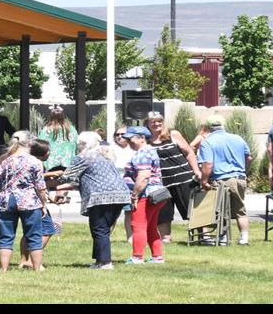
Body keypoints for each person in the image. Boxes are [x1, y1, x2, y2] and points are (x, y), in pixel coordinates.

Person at [59, 131, 130, 270]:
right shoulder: (105, 155)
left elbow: (67, 176)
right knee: (102, 228)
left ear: (84, 144)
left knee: (99, 228)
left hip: (100, 196)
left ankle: (105, 262)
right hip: (120, 194)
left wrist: (51, 178)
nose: (77, 146)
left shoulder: (84, 157)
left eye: (78, 143)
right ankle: (99, 260)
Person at [0, 130, 48, 272]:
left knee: (5, 236)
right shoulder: (35, 161)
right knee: (34, 236)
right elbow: (40, 186)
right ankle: (36, 268)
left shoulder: (3, 160)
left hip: (6, 200)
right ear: (30, 144)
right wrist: (43, 204)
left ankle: (3, 269)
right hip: (29, 200)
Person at [195, 115, 252, 246]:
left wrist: (204, 181)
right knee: (240, 209)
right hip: (239, 178)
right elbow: (248, 158)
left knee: (220, 210)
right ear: (224, 125)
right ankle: (244, 238)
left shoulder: (208, 142)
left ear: (208, 128)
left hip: (221, 179)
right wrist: (244, 171)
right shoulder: (238, 138)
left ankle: (223, 238)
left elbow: (208, 164)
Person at [147, 110, 198, 244]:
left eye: (159, 121)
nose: (156, 124)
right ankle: (165, 239)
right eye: (153, 122)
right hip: (161, 183)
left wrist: (196, 171)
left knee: (192, 210)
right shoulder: (146, 140)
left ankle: (201, 237)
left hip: (183, 179)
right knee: (163, 214)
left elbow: (189, 153)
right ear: (148, 124)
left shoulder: (172, 134)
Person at [123, 125, 167, 263]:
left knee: (138, 225)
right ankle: (157, 257)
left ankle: (137, 257)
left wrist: (134, 195)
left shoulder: (143, 153)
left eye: (131, 139)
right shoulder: (150, 151)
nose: (128, 142)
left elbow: (143, 177)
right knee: (151, 226)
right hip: (158, 194)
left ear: (142, 138)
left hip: (146, 195)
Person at [23, 139, 59, 266]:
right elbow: (38, 182)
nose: (49, 153)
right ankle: (31, 260)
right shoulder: (37, 163)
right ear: (43, 152)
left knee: (27, 232)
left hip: (24, 200)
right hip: (35, 201)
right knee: (48, 229)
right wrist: (52, 175)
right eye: (48, 150)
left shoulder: (25, 160)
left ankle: (23, 260)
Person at [38, 105, 78, 203]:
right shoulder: (71, 129)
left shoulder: (47, 129)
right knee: (64, 178)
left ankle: (53, 196)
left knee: (51, 179)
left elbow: (41, 143)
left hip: (51, 159)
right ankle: (60, 195)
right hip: (67, 159)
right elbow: (76, 142)